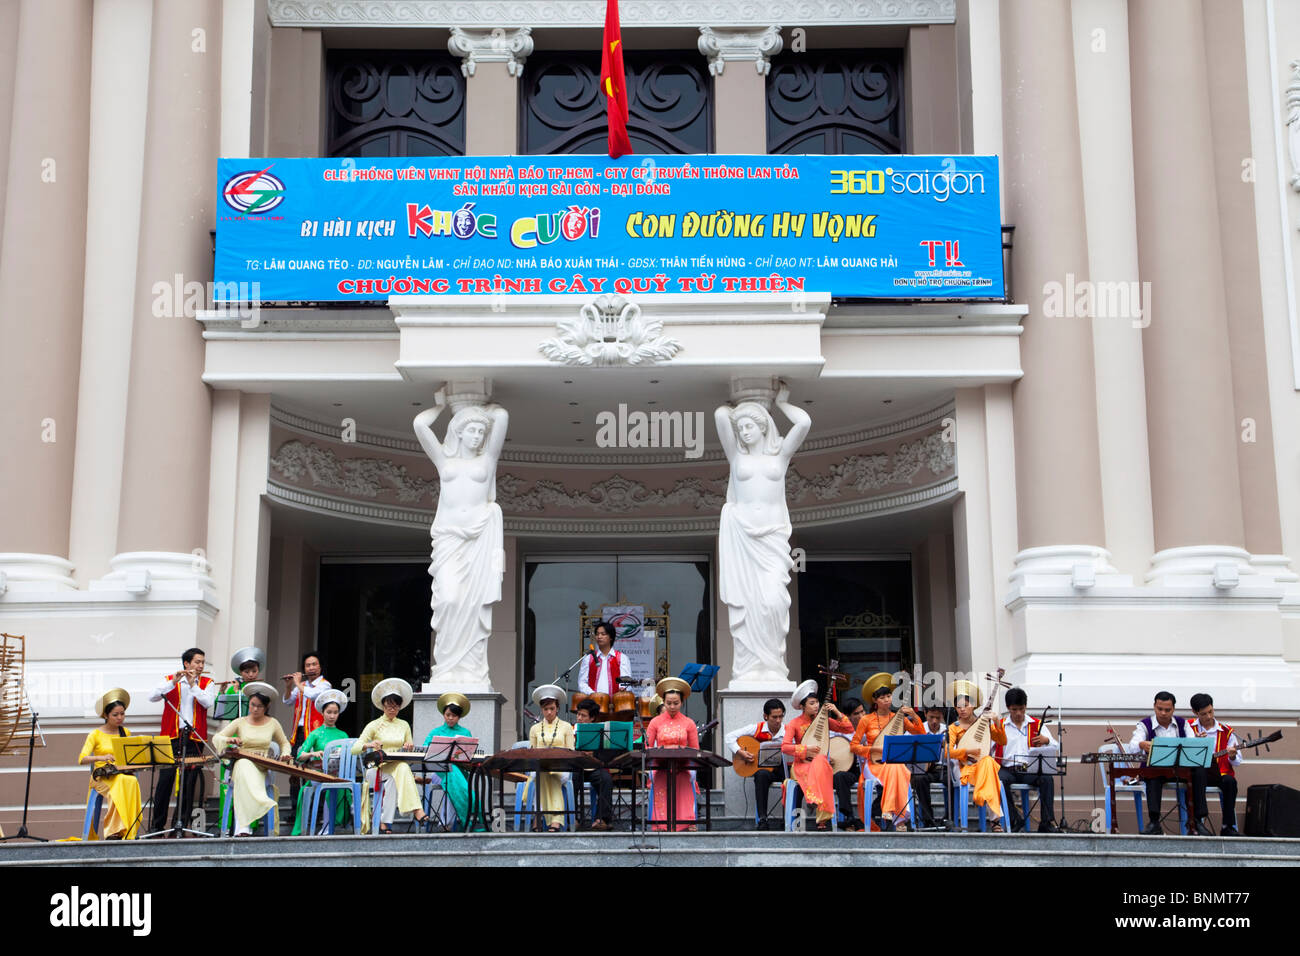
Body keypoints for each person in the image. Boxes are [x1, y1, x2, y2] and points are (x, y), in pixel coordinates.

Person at [715, 383, 812, 684]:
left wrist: (780, 402)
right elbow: (720, 415)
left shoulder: (779, 457)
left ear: (762, 427)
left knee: (772, 601)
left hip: (771, 540)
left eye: (749, 426)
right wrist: (737, 409)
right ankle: (748, 669)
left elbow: (804, 423)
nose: (743, 432)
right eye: (740, 427)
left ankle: (772, 665)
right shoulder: (737, 458)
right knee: (746, 603)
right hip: (742, 536)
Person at [414, 395, 509, 687]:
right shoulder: (445, 459)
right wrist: (442, 405)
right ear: (459, 431)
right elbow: (419, 424)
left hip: (479, 538)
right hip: (449, 540)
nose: (478, 436)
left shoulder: (487, 460)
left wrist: (486, 411)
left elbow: (503, 416)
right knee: (450, 599)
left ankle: (470, 670)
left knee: (474, 605)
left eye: (481, 431)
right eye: (472, 430)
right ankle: (446, 668)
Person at [212, 682, 292, 836]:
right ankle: (249, 819)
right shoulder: (240, 722)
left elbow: (284, 743)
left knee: (245, 771)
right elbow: (218, 737)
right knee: (243, 764)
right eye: (252, 705)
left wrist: (284, 754)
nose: (255, 709)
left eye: (259, 706)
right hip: (241, 764)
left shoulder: (273, 723)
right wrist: (229, 740)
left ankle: (248, 821)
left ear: (266, 707)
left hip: (262, 767)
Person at [149, 647, 215, 831]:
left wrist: (193, 685)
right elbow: (151, 696)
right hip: (171, 736)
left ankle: (180, 825)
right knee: (165, 781)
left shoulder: (207, 682)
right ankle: (157, 827)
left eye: (202, 662)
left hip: (194, 737)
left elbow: (208, 702)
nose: (201, 665)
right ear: (186, 663)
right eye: (197, 662)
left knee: (188, 782)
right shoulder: (170, 681)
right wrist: (173, 683)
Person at [353, 678, 430, 834]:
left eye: (395, 706)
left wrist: (409, 746)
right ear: (383, 705)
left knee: (399, 771)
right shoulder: (374, 725)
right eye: (389, 706)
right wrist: (369, 744)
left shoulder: (404, 725)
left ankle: (385, 822)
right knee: (400, 770)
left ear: (400, 707)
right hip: (376, 769)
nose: (392, 709)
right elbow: (354, 749)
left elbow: (410, 745)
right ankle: (417, 810)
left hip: (395, 769)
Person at [1129, 691, 1211, 836]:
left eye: (1167, 710)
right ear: (1154, 707)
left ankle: (1197, 820)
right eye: (1160, 709)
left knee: (1199, 770)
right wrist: (1142, 744)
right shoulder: (1144, 724)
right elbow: (1133, 746)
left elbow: (1191, 743)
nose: (1163, 713)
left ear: (1173, 709)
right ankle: (1154, 822)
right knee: (1152, 773)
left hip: (1180, 770)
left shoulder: (1182, 723)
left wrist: (1196, 743)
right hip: (1158, 771)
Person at [853, 675, 924, 831]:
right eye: (882, 697)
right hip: (874, 765)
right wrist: (873, 749)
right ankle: (900, 820)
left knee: (897, 768)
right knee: (898, 769)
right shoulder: (866, 720)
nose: (886, 700)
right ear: (875, 701)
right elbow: (854, 746)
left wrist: (913, 715)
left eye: (888, 696)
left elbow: (921, 734)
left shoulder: (898, 718)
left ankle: (889, 810)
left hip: (893, 764)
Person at [781, 679, 853, 830]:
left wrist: (837, 712)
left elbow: (848, 729)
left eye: (817, 702)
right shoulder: (794, 724)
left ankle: (819, 811)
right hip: (801, 766)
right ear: (802, 706)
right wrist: (804, 750)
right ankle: (820, 814)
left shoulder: (824, 720)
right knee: (822, 768)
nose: (816, 706)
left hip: (818, 765)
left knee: (821, 761)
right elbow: (785, 747)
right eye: (812, 703)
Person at [77, 689, 142, 840]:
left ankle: (128, 828)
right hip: (101, 775)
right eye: (115, 715)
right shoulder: (95, 734)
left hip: (119, 773)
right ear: (106, 715)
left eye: (122, 714)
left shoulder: (125, 732)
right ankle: (114, 831)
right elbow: (82, 759)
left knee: (131, 781)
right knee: (120, 783)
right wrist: (102, 757)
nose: (120, 718)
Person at [996, 687, 1061, 833]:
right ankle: (1014, 818)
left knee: (1047, 779)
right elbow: (988, 748)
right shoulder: (1000, 726)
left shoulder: (1036, 724)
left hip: (1028, 769)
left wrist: (1046, 741)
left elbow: (1055, 745)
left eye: (1021, 709)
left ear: (1025, 706)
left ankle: (1046, 822)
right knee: (998, 780)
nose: (1018, 713)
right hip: (1008, 769)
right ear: (1008, 708)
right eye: (1014, 710)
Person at [947, 681, 1007, 832]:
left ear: (973, 706)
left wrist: (996, 721)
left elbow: (1002, 741)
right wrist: (966, 752)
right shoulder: (953, 728)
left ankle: (984, 802)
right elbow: (948, 752)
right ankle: (995, 821)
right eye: (958, 707)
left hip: (982, 767)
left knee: (987, 761)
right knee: (989, 769)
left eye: (965, 705)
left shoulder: (984, 723)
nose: (962, 709)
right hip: (963, 768)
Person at [217, 646, 266, 830]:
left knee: (249, 782)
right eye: (247, 671)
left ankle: (248, 823)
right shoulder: (233, 689)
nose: (251, 674)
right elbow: (223, 712)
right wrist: (225, 693)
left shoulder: (260, 690)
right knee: (228, 781)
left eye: (254, 671)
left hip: (252, 738)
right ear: (241, 672)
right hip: (234, 739)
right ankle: (226, 824)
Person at [290, 688, 351, 835]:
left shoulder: (343, 734)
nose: (332, 716)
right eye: (329, 712)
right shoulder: (315, 733)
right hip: (318, 774)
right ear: (322, 713)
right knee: (318, 788)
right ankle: (313, 828)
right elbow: (300, 755)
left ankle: (328, 826)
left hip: (336, 774)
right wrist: (314, 753)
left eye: (335, 713)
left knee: (338, 787)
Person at [644, 677, 699, 831]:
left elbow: (695, 749)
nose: (672, 706)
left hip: (682, 766)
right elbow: (647, 746)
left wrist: (692, 768)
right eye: (669, 703)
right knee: (661, 784)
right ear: (663, 702)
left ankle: (685, 823)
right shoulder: (655, 722)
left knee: (683, 782)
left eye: (676, 703)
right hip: (661, 766)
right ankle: (661, 824)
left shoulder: (689, 723)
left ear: (682, 702)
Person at [724, 697, 786, 830]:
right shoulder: (756, 728)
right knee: (761, 775)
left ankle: (787, 819)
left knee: (791, 776)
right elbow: (729, 737)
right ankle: (763, 819)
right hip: (765, 770)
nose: (778, 721)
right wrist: (741, 752)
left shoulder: (787, 732)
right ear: (765, 716)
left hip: (781, 769)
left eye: (781, 716)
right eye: (774, 717)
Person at [423, 691, 480, 831]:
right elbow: (424, 749)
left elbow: (469, 754)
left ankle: (445, 824)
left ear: (459, 717)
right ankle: (448, 822)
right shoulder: (435, 732)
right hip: (438, 771)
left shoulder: (465, 732)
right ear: (443, 714)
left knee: (452, 785)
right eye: (447, 715)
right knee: (452, 781)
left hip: (459, 772)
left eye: (454, 716)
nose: (450, 718)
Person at [1187, 693, 1242, 836]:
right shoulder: (1188, 728)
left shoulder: (1226, 730)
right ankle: (1197, 822)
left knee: (1230, 782)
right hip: (1197, 774)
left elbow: (1237, 762)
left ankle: (1227, 826)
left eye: (1211, 711)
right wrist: (1193, 742)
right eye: (1203, 714)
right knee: (1197, 776)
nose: (1209, 716)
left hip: (1220, 774)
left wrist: (1233, 755)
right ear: (1195, 712)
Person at [524, 684, 576, 831]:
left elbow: (571, 751)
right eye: (545, 709)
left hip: (562, 769)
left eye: (552, 708)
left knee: (549, 775)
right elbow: (532, 752)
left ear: (557, 708)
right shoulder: (534, 728)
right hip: (540, 768)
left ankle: (539, 818)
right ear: (541, 710)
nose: (549, 712)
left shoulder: (566, 727)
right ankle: (554, 820)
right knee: (542, 774)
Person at [574, 698, 616, 830]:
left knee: (606, 779)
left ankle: (601, 819)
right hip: (576, 767)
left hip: (594, 768)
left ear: (592, 718)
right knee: (572, 780)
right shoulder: (571, 729)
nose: (579, 718)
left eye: (583, 715)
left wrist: (595, 754)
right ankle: (573, 818)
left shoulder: (601, 731)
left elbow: (608, 755)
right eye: (578, 714)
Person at [907, 705, 950, 829]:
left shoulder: (947, 730)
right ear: (925, 713)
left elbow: (955, 752)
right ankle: (928, 819)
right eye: (931, 717)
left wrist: (946, 746)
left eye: (938, 717)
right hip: (923, 770)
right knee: (919, 780)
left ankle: (947, 818)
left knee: (951, 780)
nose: (935, 721)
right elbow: (906, 747)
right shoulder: (916, 729)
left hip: (942, 768)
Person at [281, 650, 331, 748]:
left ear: (320, 667)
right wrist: (288, 686)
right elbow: (288, 701)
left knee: (313, 761)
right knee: (296, 760)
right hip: (299, 732)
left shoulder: (325, 685)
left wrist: (297, 683)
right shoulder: (302, 686)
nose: (311, 668)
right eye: (308, 665)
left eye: (314, 664)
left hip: (317, 731)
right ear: (304, 669)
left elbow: (312, 694)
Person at [832, 697, 866, 830]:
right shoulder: (838, 732)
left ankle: (875, 816)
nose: (861, 716)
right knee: (839, 776)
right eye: (856, 714)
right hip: (847, 771)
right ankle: (848, 816)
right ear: (847, 717)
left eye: (862, 711)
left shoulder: (871, 729)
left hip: (865, 769)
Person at [578, 619, 631, 698]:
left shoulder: (622, 658)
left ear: (611, 637)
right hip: (593, 703)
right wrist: (593, 694)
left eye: (603, 634)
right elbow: (582, 683)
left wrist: (622, 688)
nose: (599, 637)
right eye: (597, 634)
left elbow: (626, 681)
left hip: (615, 704)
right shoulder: (589, 658)